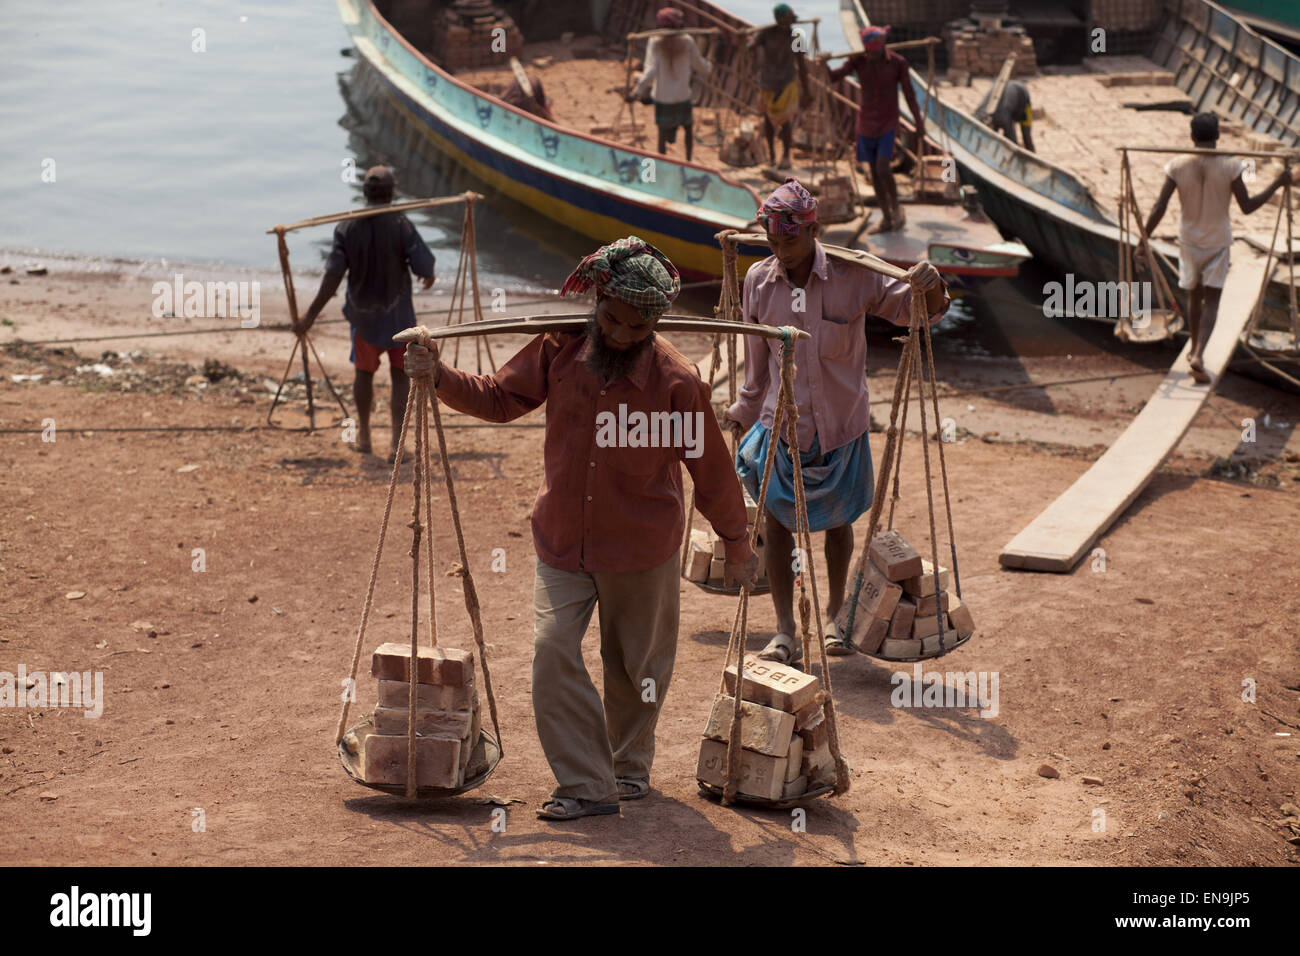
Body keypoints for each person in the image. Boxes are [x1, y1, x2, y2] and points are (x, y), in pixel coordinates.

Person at [403, 237, 759, 821]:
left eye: (635, 328)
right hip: (562, 538)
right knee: (550, 653)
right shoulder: (558, 349)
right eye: (612, 320)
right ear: (596, 302)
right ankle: (585, 784)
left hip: (642, 547)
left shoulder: (677, 381)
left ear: (653, 322)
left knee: (634, 670)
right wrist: (437, 374)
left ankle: (626, 767)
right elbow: (498, 398)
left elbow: (713, 472)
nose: (619, 335)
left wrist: (737, 544)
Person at [723, 179, 949, 662]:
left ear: (814, 231)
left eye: (790, 240)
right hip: (780, 427)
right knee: (779, 525)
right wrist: (742, 414)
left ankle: (833, 613)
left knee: (840, 523)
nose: (782, 252)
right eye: (773, 242)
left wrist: (931, 285)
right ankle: (785, 630)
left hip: (842, 427)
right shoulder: (758, 282)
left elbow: (917, 313)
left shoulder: (855, 275)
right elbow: (755, 366)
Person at [1139, 112, 1294, 384]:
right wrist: (1277, 183)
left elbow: (1159, 207)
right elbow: (1247, 207)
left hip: (1188, 240)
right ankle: (1199, 354)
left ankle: (1194, 348)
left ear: (1192, 136)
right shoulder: (1231, 165)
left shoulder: (1177, 164)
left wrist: (1143, 239)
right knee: (1212, 300)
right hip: (1218, 241)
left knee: (1193, 294)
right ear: (1218, 136)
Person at [293, 165, 435, 460]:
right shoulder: (401, 224)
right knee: (400, 376)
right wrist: (428, 275)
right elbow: (424, 264)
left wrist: (309, 317)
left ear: (364, 193)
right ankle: (397, 444)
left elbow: (332, 278)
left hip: (363, 318)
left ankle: (365, 437)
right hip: (399, 319)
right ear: (393, 192)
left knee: (363, 374)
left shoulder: (346, 227)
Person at [828, 25, 924, 233]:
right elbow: (833, 77)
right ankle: (887, 218)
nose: (870, 55)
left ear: (882, 48)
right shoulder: (858, 61)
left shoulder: (898, 63)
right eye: (868, 51)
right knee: (873, 171)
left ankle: (896, 209)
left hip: (888, 122)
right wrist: (824, 63)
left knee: (883, 167)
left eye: (874, 51)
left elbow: (909, 95)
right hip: (867, 123)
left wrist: (919, 123)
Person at [629, 7, 712, 162]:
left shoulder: (655, 42)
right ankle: (688, 161)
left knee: (662, 134)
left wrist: (636, 92)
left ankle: (662, 163)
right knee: (687, 130)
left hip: (663, 98)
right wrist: (709, 65)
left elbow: (650, 71)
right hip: (682, 96)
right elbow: (701, 66)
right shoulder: (687, 41)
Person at [751, 3, 810, 170]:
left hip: (786, 83)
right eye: (786, 20)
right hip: (768, 82)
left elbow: (801, 64)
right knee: (768, 120)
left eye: (791, 21)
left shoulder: (796, 36)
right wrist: (746, 42)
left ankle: (785, 156)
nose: (789, 24)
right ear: (779, 20)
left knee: (785, 121)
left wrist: (807, 90)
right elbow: (750, 46)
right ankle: (771, 155)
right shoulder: (766, 33)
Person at [988, 79, 1034, 153]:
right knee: (1013, 146)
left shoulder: (1002, 88)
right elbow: (1025, 138)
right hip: (1003, 113)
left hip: (990, 113)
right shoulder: (1024, 102)